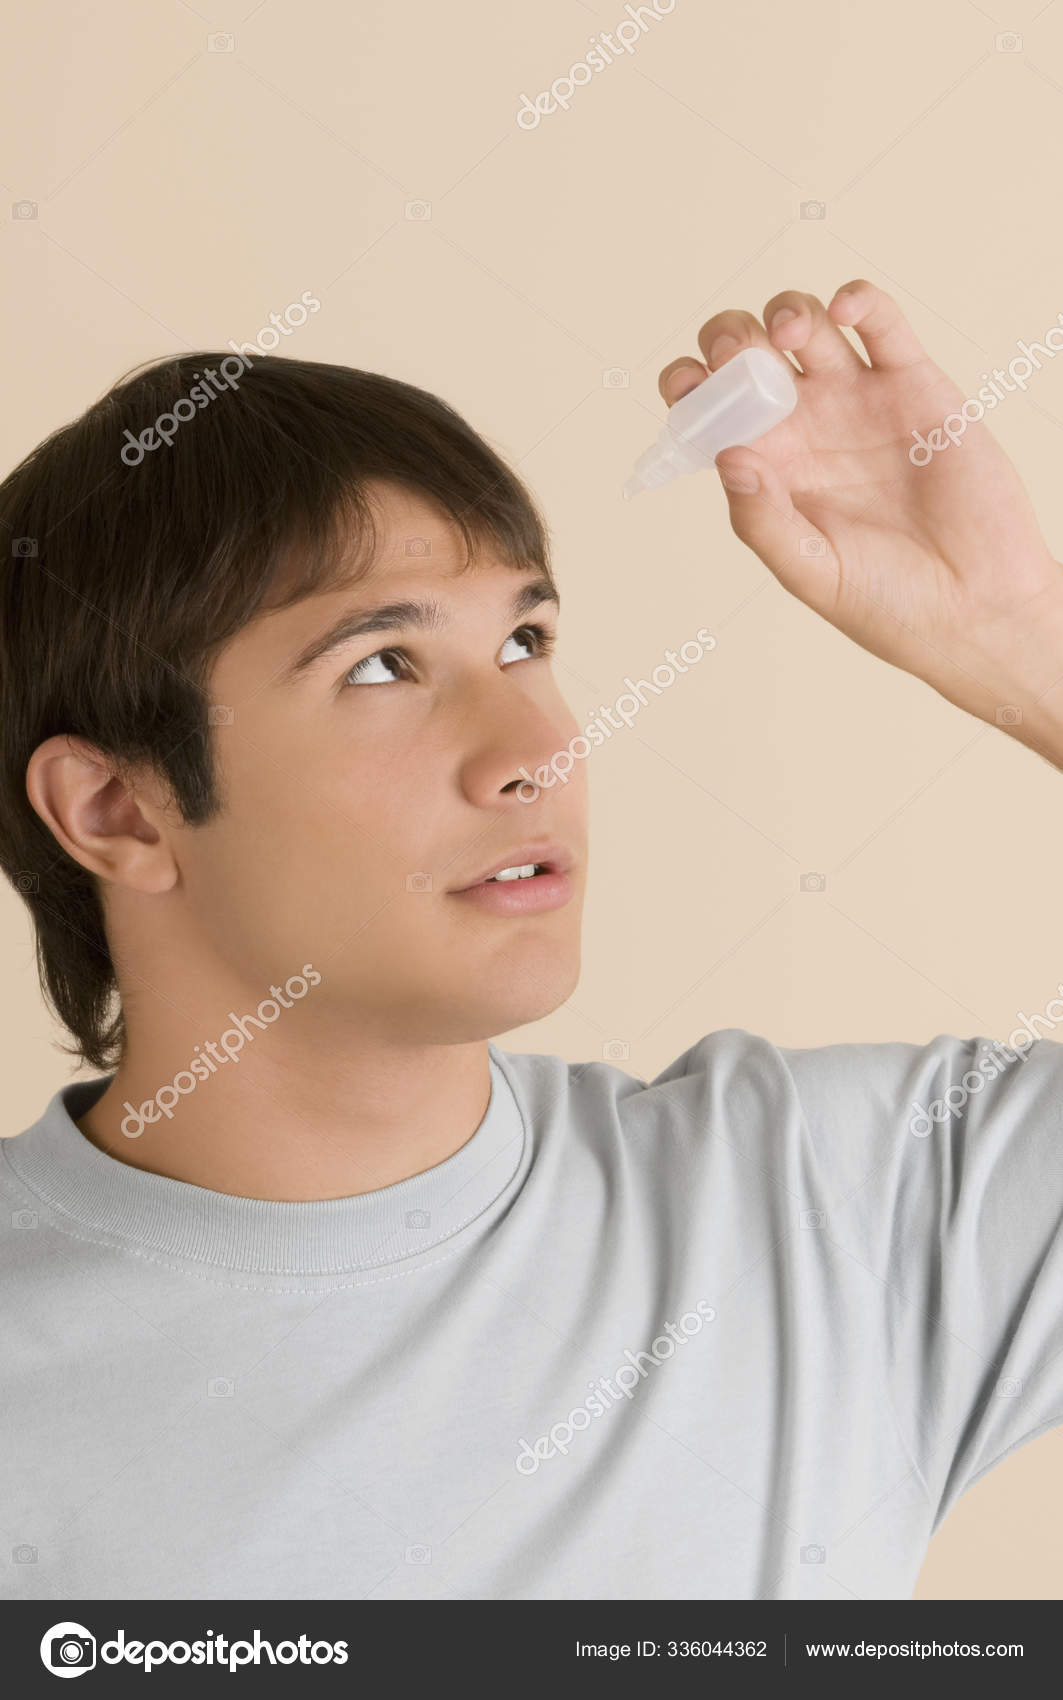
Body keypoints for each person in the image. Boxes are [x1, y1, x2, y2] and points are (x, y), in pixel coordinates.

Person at [2, 281, 1061, 1601]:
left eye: (525, 638)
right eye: (382, 665)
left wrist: (1023, 638)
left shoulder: (839, 1213)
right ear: (116, 810)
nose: (537, 747)